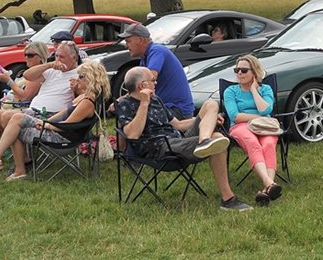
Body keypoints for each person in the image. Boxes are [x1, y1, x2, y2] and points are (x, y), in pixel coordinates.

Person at [116, 67, 252, 211]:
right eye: (153, 80)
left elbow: (178, 124)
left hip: (178, 140)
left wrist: (207, 118)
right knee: (218, 138)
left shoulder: (156, 99)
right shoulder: (124, 104)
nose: (156, 83)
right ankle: (228, 199)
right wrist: (144, 103)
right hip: (160, 148)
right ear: (142, 85)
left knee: (211, 104)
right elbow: (132, 134)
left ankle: (204, 140)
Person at [0, 60, 110, 180]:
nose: (78, 79)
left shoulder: (87, 102)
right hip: (57, 131)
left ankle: (1, 162)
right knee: (14, 119)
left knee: (15, 123)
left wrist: (47, 125)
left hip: (60, 139)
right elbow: (63, 113)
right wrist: (47, 121)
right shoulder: (85, 97)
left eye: (81, 77)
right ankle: (3, 163)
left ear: (92, 79)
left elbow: (67, 125)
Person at [0, 41, 81, 159]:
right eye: (56, 56)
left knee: (10, 118)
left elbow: (79, 102)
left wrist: (8, 81)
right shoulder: (52, 71)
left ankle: (14, 163)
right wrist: (49, 65)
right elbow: (27, 75)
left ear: (74, 58)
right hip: (33, 110)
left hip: (50, 116)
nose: (58, 60)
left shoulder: (79, 75)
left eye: (62, 57)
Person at [223, 54, 282, 206]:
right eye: (237, 70)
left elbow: (266, 108)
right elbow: (235, 116)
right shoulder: (230, 91)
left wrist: (254, 91)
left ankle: (266, 190)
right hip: (240, 127)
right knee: (252, 142)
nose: (239, 73)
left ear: (254, 72)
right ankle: (269, 183)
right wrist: (257, 116)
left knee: (268, 144)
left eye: (244, 70)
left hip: (264, 126)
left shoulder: (265, 89)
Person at [120, 22, 194, 119]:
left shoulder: (157, 51)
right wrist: (122, 100)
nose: (126, 45)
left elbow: (148, 82)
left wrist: (124, 100)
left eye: (128, 41)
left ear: (140, 40)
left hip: (177, 110)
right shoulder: (145, 58)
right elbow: (140, 86)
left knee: (139, 121)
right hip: (167, 107)